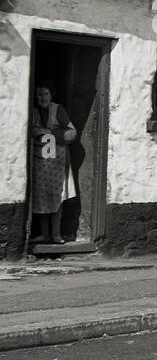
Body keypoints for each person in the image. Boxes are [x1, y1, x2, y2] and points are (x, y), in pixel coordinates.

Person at [29, 82, 76, 246]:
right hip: (39, 161)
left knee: (57, 195)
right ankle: (44, 234)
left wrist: (47, 132)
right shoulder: (33, 111)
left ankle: (55, 234)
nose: (42, 98)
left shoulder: (58, 110)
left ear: (51, 95)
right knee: (41, 196)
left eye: (45, 94)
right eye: (39, 94)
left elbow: (71, 134)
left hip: (57, 160)